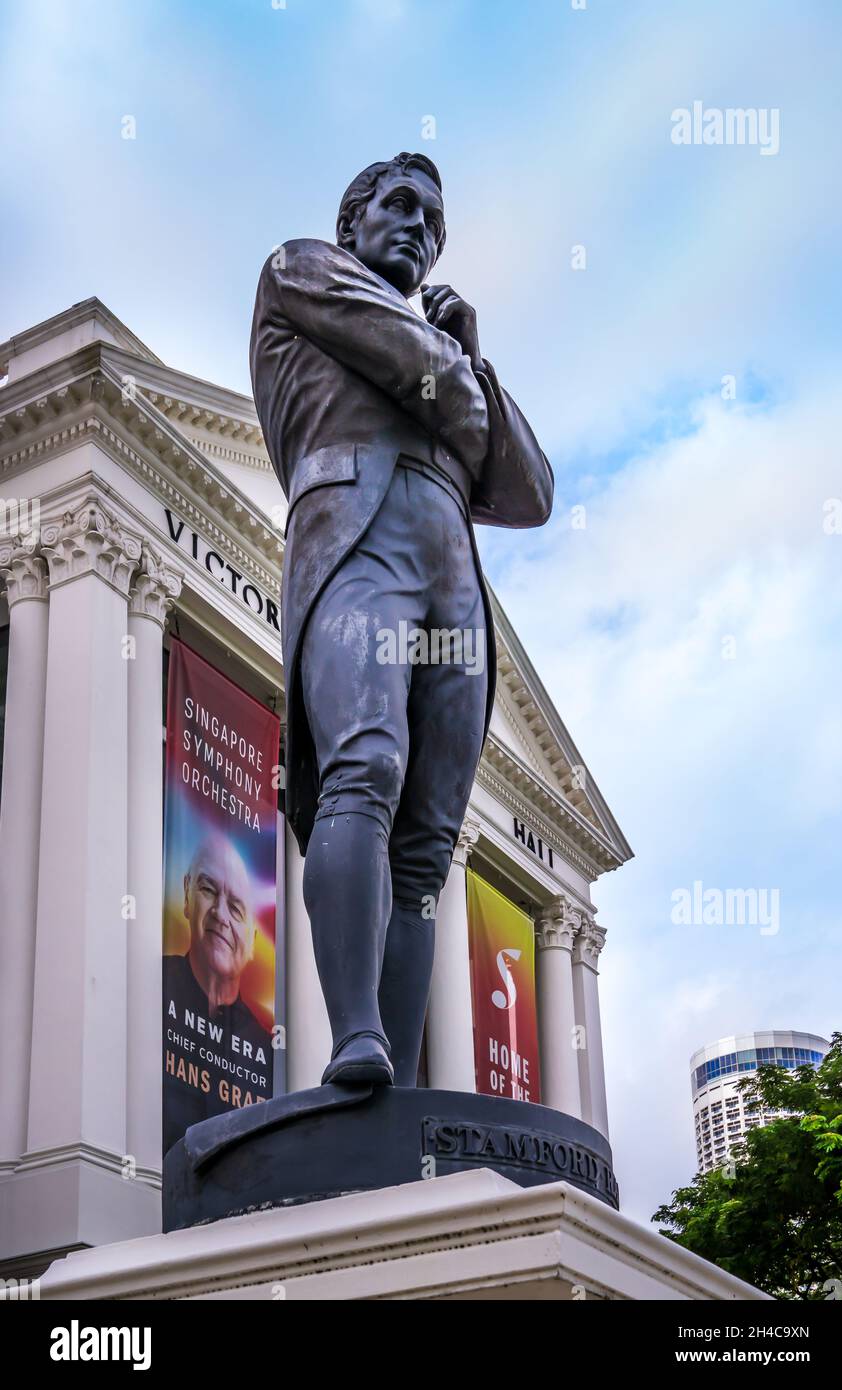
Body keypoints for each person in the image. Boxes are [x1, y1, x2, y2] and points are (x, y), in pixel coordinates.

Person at [250, 152, 553, 1088]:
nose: (419, 225)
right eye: (401, 205)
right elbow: (421, 368)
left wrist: (477, 362)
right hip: (357, 540)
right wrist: (456, 370)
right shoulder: (303, 268)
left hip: (451, 577)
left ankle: (396, 1081)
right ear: (354, 221)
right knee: (365, 765)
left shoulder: (447, 348)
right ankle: (353, 1041)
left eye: (435, 220)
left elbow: (531, 490)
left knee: (425, 845)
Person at [163, 834, 271, 1150]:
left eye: (236, 908)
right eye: (208, 890)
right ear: (186, 895)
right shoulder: (153, 988)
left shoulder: (265, 1047)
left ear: (252, 939)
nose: (220, 915)